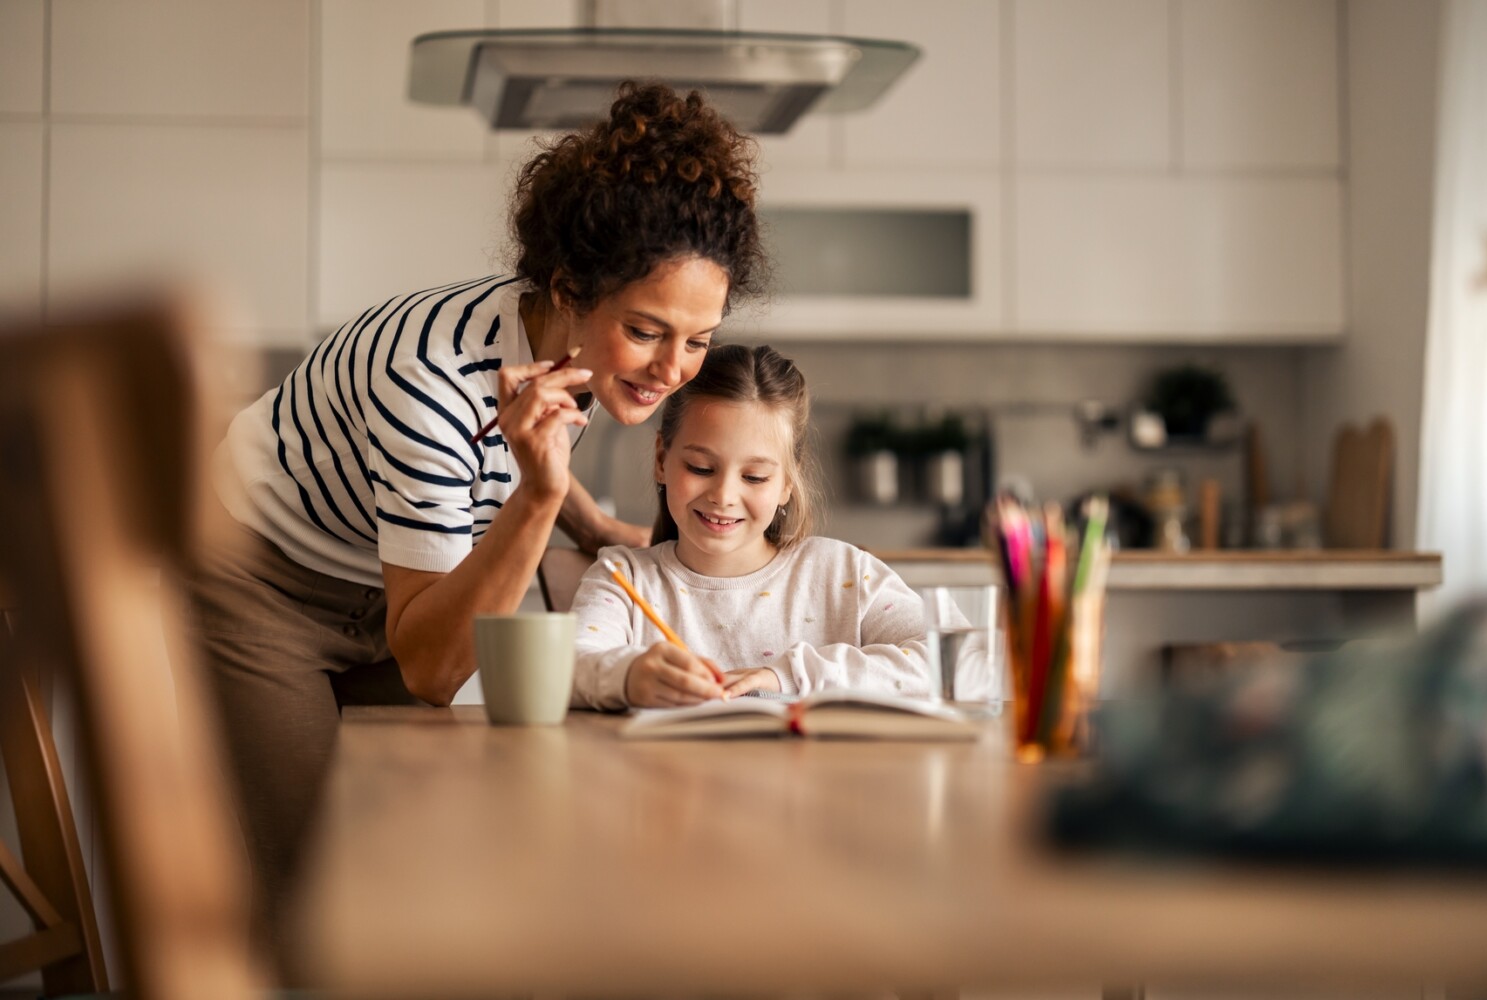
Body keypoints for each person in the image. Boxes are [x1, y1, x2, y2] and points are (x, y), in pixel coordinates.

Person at [186, 81, 767, 943]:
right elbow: (430, 667)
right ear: (571, 287)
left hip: (388, 583)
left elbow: (497, 453)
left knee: (429, 847)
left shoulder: (575, 343)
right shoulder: (427, 382)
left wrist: (587, 524)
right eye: (648, 331)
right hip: (256, 583)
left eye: (700, 339)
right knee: (318, 893)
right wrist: (537, 498)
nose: (673, 368)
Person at [570, 344, 931, 709]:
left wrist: (788, 676)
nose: (724, 495)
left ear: (787, 482)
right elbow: (570, 667)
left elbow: (959, 661)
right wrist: (630, 677)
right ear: (662, 459)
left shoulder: (844, 575)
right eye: (700, 468)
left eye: (755, 477)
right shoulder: (623, 580)